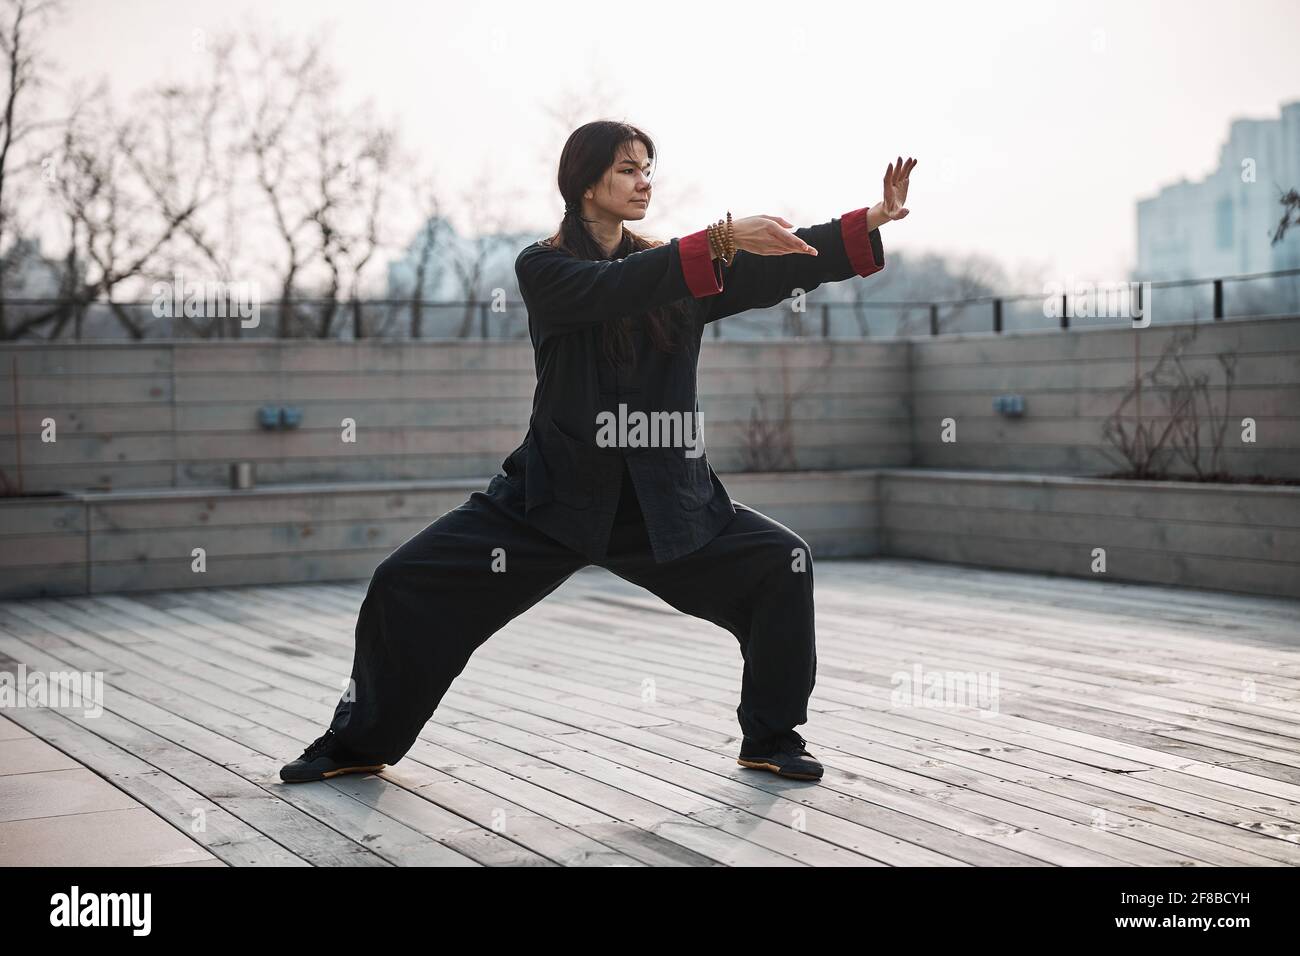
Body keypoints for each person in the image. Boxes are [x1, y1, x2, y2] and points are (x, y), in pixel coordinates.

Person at [280, 120, 915, 785]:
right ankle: (355, 744)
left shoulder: (677, 267)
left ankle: (772, 739)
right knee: (402, 583)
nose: (644, 181)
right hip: (550, 501)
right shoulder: (545, 267)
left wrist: (870, 219)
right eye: (627, 169)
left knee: (782, 564)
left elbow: (776, 264)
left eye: (648, 168)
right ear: (585, 182)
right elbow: (620, 287)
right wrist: (719, 240)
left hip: (663, 505)